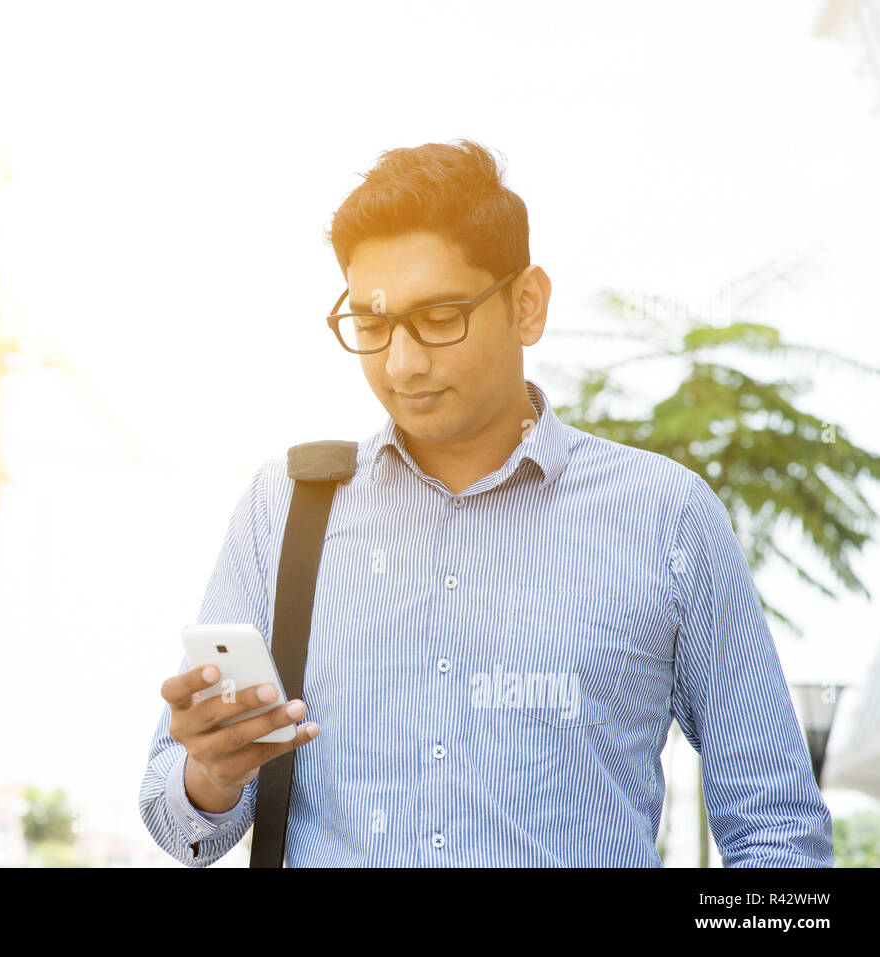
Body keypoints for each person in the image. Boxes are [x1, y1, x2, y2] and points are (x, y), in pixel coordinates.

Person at [137, 140, 834, 867]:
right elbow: (181, 826)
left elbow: (778, 828)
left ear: (526, 305)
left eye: (438, 316)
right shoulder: (282, 510)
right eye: (371, 326)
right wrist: (212, 773)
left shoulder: (666, 516)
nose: (402, 364)